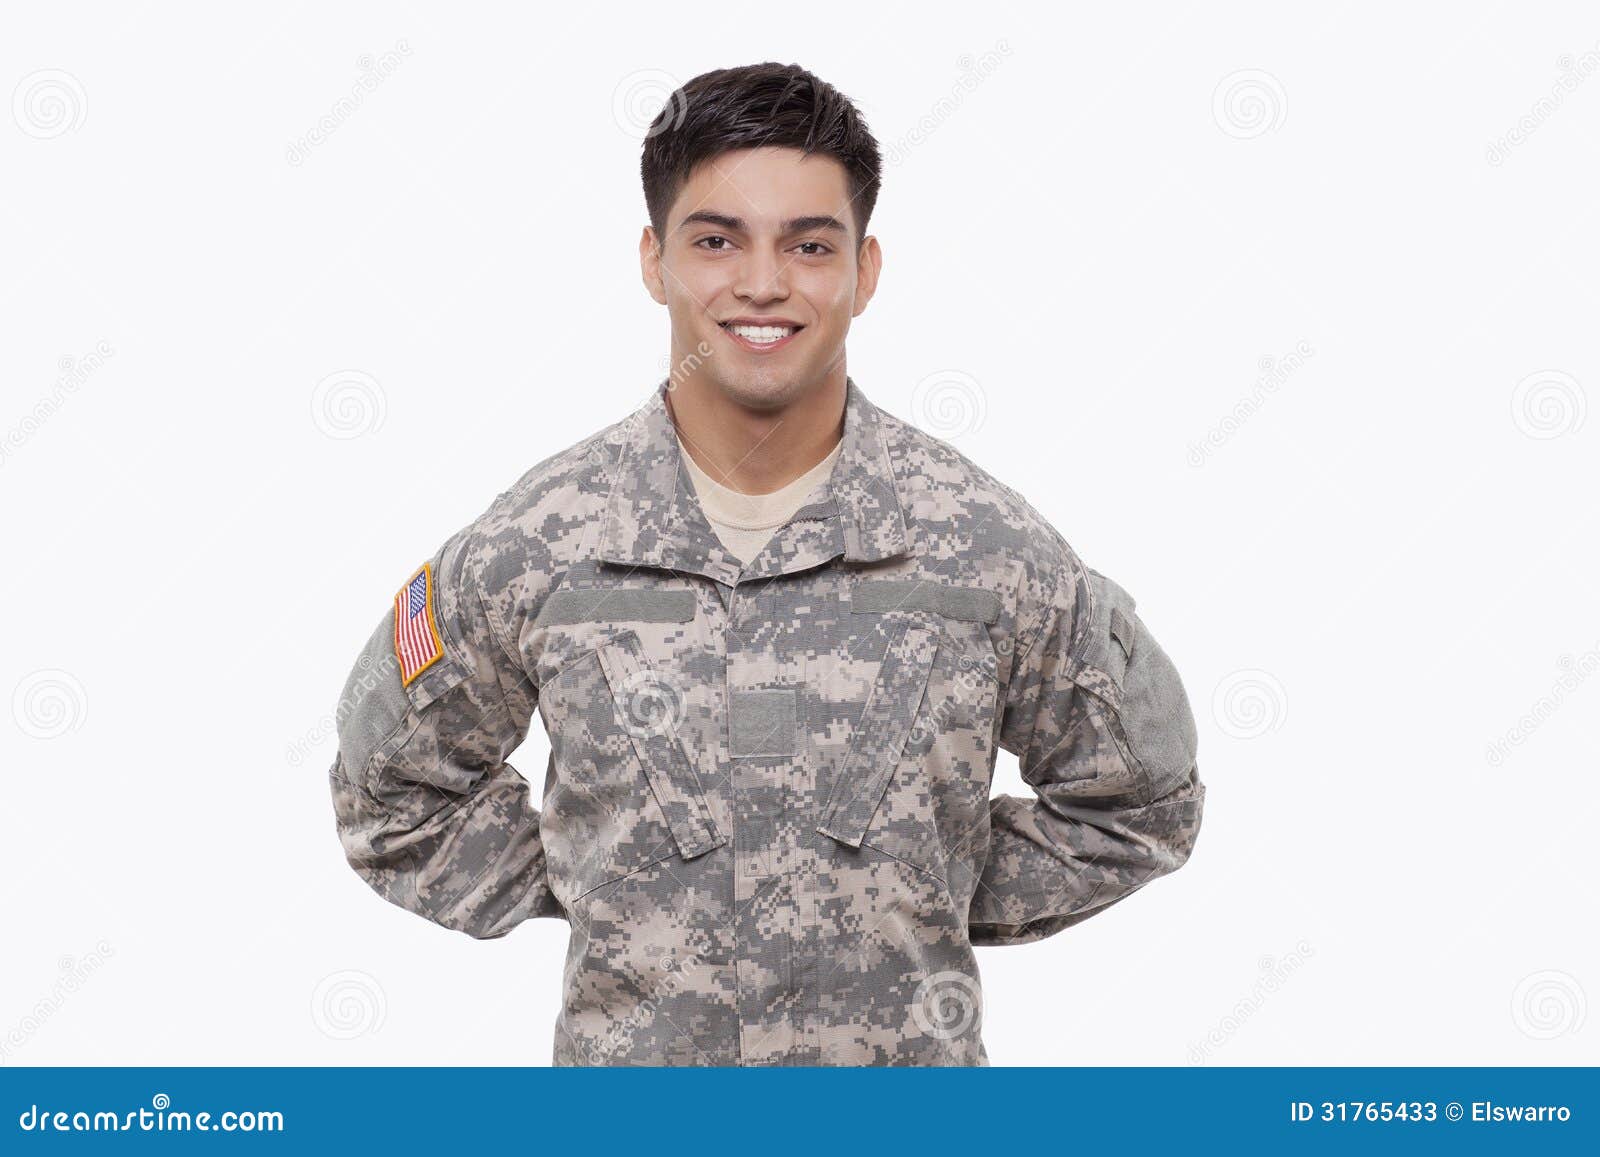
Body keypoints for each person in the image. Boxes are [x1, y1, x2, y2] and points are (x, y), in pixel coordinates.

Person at [327, 61, 1205, 1066]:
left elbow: (1144, 803)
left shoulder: (986, 547)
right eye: (715, 240)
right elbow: (388, 793)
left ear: (864, 270)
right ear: (654, 262)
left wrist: (923, 889)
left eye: (808, 244)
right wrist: (594, 885)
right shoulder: (537, 540)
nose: (760, 283)